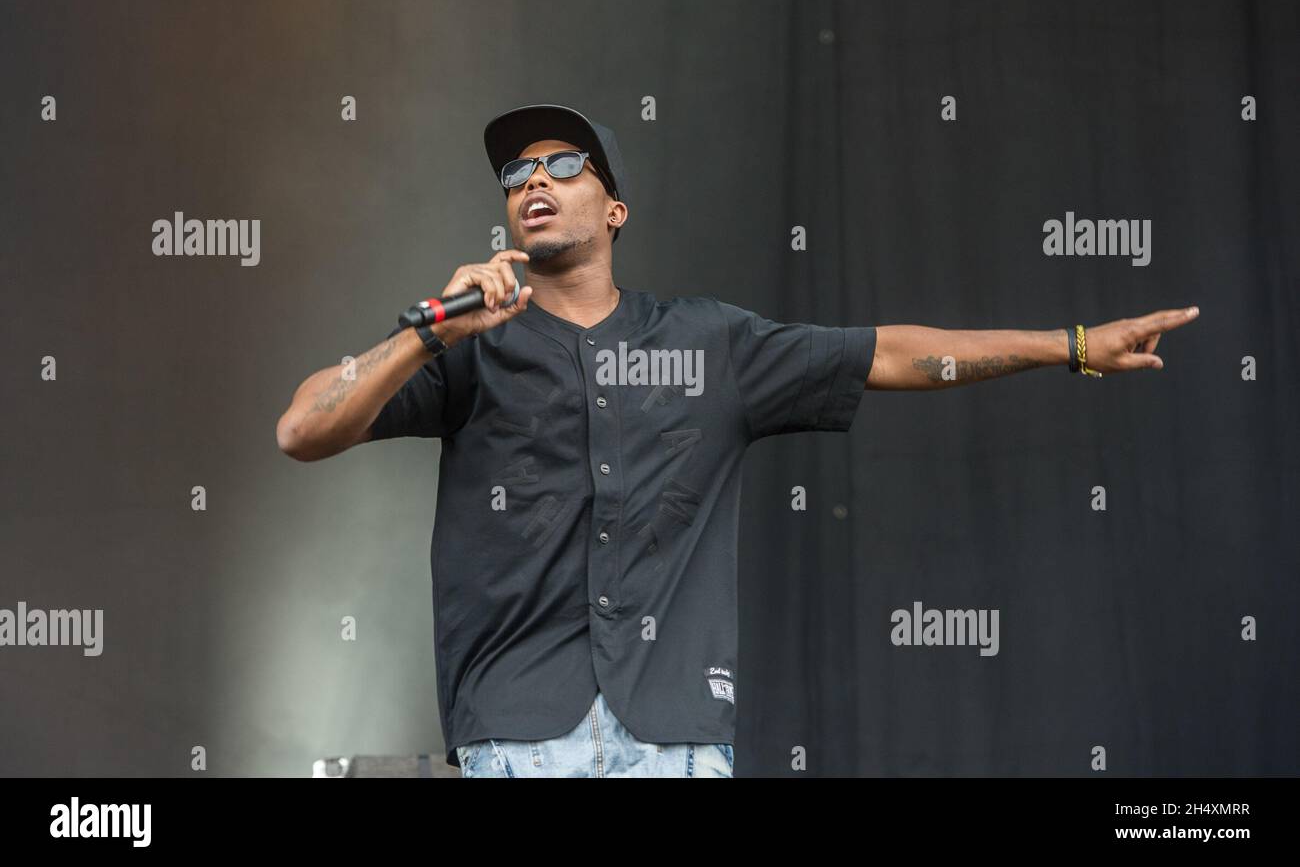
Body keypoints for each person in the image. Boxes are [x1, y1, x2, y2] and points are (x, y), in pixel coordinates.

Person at [275, 104, 1200, 778]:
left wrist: (1070, 347)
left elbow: (901, 355)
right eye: (515, 176)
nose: (534, 184)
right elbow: (304, 427)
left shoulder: (709, 343)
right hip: (516, 732)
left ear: (614, 209)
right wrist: (430, 329)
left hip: (677, 734)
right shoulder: (467, 345)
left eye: (562, 165)